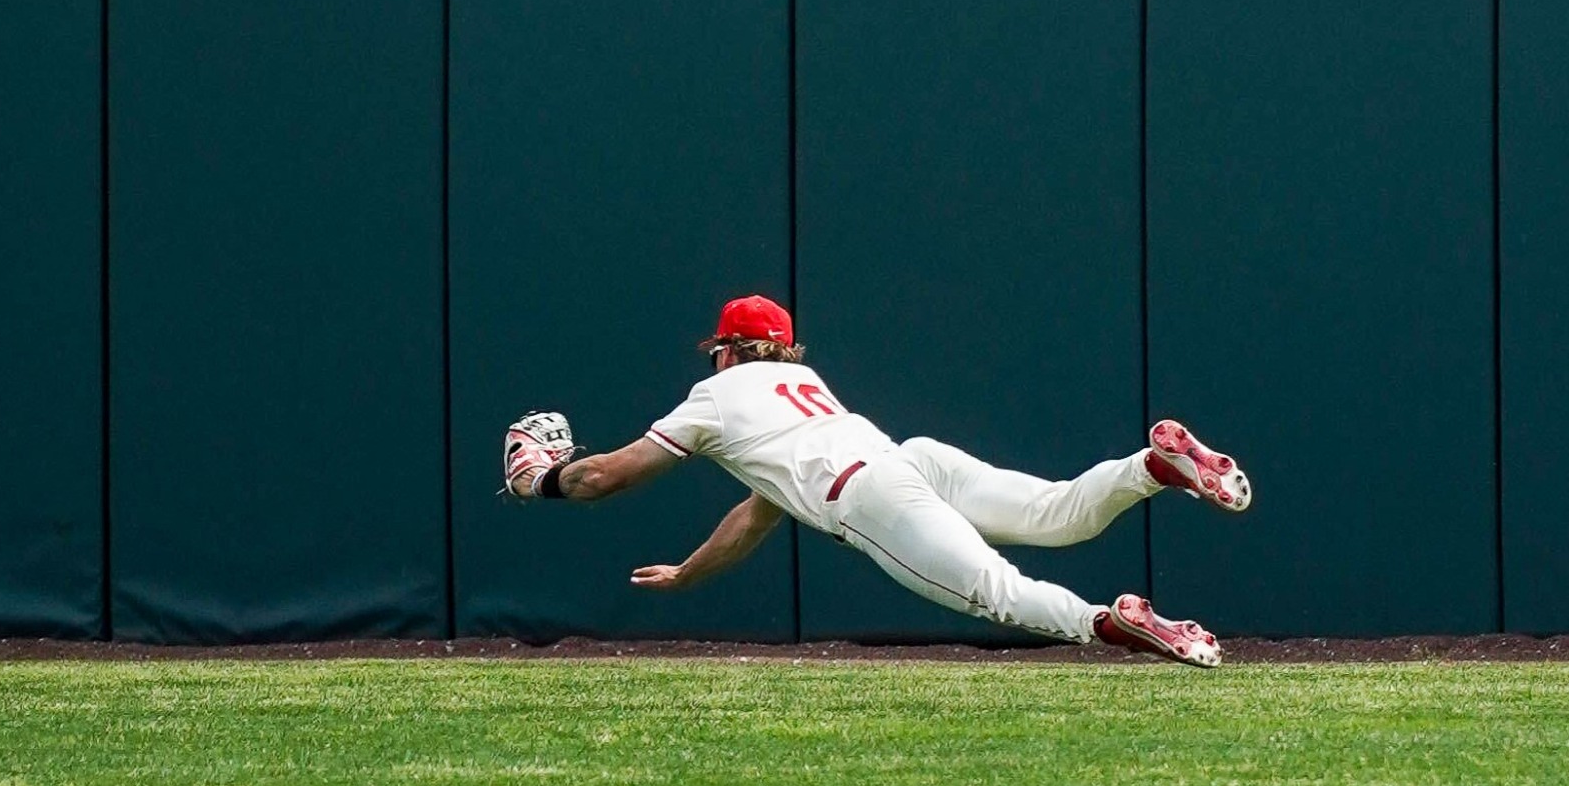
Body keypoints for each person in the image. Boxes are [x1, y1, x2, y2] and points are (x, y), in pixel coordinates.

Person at [503, 294, 1251, 667]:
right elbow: (761, 513)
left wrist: (543, 482)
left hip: (866, 495)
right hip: (907, 458)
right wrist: (689, 576)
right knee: (1060, 513)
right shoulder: (806, 384)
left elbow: (608, 475)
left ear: (727, 351)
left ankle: (1113, 621)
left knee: (997, 592)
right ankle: (1152, 467)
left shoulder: (717, 397)